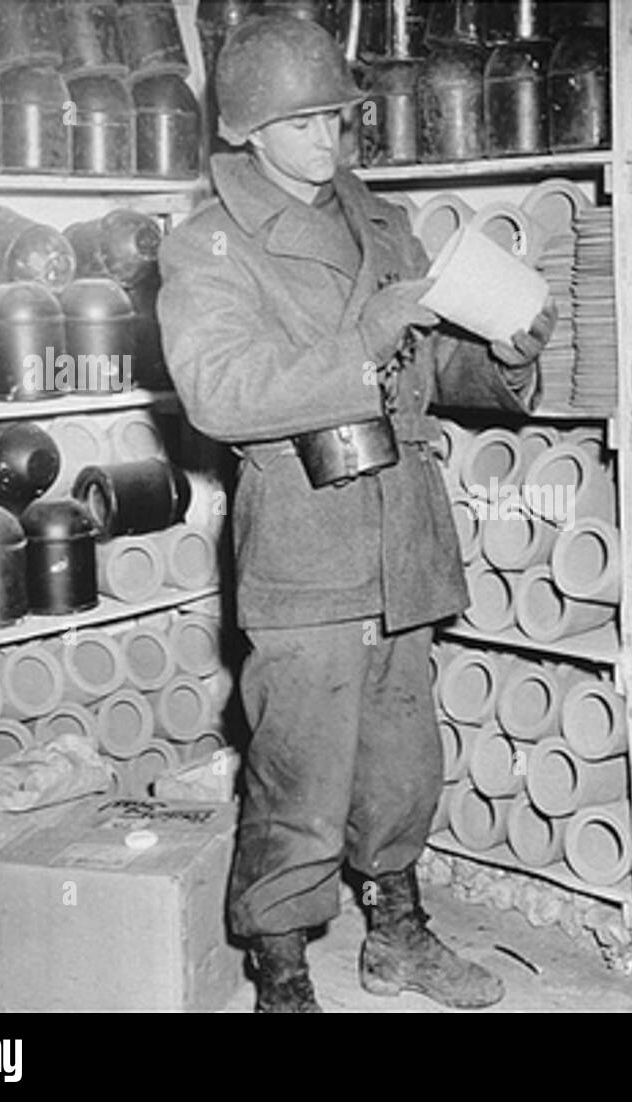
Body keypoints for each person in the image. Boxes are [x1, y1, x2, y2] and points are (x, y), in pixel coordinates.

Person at [157, 13, 554, 1013]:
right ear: (245, 131)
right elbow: (221, 391)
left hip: (402, 528)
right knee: (298, 770)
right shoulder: (205, 246)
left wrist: (502, 355)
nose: (330, 138)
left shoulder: (380, 220)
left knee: (402, 754)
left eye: (337, 115)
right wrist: (363, 341)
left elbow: (425, 368)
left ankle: (399, 933)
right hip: (305, 530)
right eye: (303, 122)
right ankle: (282, 973)